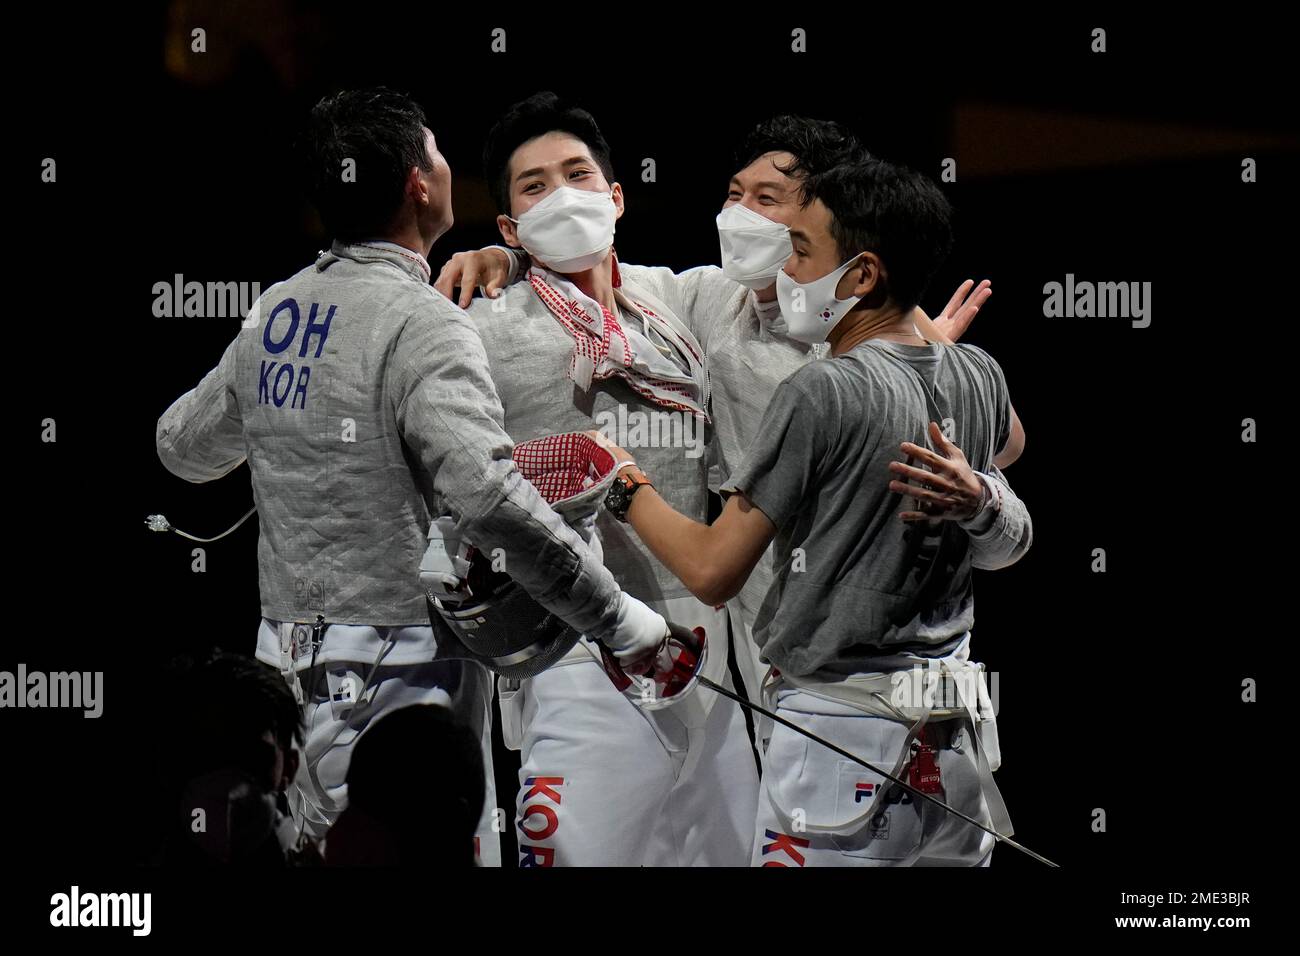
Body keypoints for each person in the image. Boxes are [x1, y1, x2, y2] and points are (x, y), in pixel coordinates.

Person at [155, 87, 670, 865]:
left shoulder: (275, 312)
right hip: (402, 683)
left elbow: (180, 448)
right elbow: (490, 502)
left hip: (283, 680)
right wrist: (620, 621)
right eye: (435, 152)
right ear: (418, 186)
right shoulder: (425, 322)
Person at [439, 114, 1032, 748]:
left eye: (768, 201)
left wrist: (915, 361)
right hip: (766, 642)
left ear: (826, 226)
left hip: (863, 670)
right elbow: (592, 277)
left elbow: (1005, 453)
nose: (739, 214)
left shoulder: (867, 354)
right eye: (733, 194)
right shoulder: (705, 300)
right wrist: (501, 253)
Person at [590, 155, 1028, 866]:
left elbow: (712, 569)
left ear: (861, 275)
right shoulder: (979, 371)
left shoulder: (820, 390)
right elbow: (1011, 532)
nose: (785, 269)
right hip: (955, 746)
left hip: (841, 743)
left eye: (799, 249)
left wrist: (618, 478)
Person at [462, 91, 758, 866]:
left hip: (712, 659)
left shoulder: (678, 297)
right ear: (509, 228)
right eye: (533, 187)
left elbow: (799, 289)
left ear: (616, 196)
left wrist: (923, 343)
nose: (560, 194)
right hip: (582, 657)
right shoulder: (481, 326)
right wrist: (473, 270)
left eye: (577, 173)